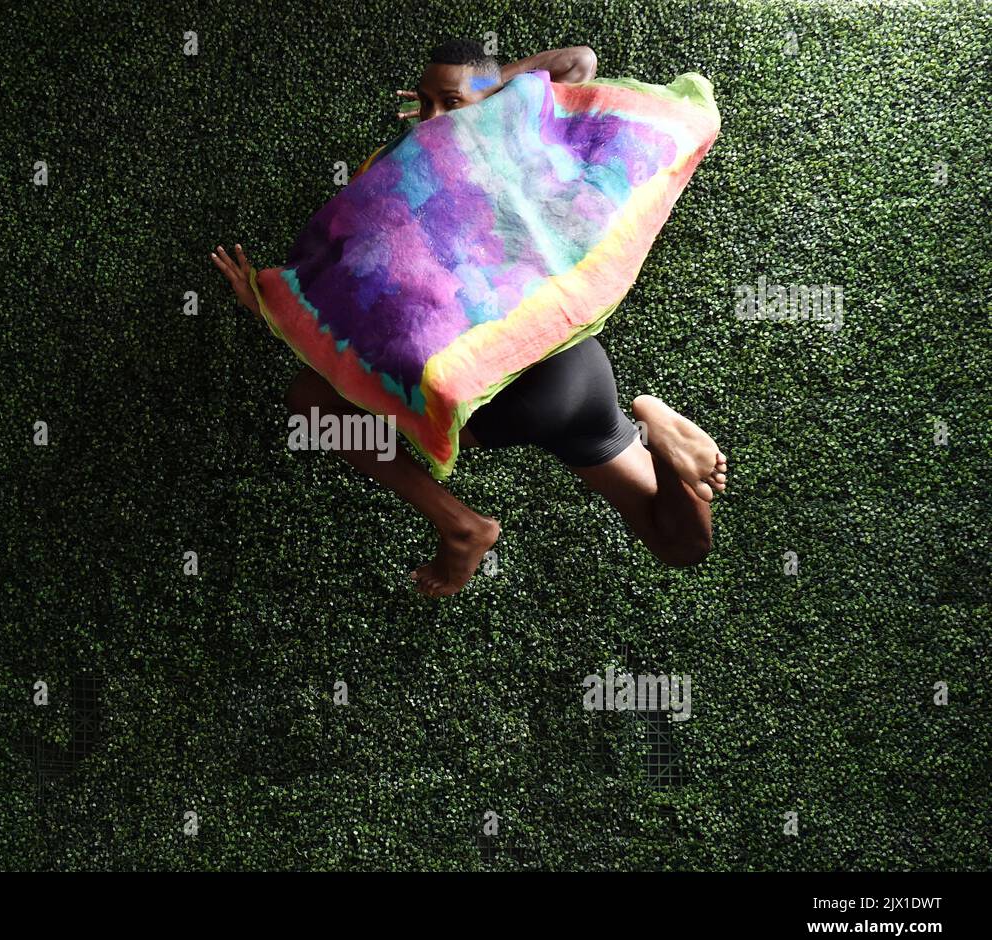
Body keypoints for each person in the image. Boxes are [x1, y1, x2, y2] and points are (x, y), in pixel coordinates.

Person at [211, 38, 727, 598]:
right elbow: (352, 277)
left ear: (492, 94)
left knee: (312, 403)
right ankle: (655, 429)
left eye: (448, 102)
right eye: (425, 102)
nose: (432, 117)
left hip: (485, 384)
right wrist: (273, 303)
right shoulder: (404, 170)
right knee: (679, 545)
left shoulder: (503, 134)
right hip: (573, 377)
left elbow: (579, 62)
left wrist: (273, 307)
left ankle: (459, 523)